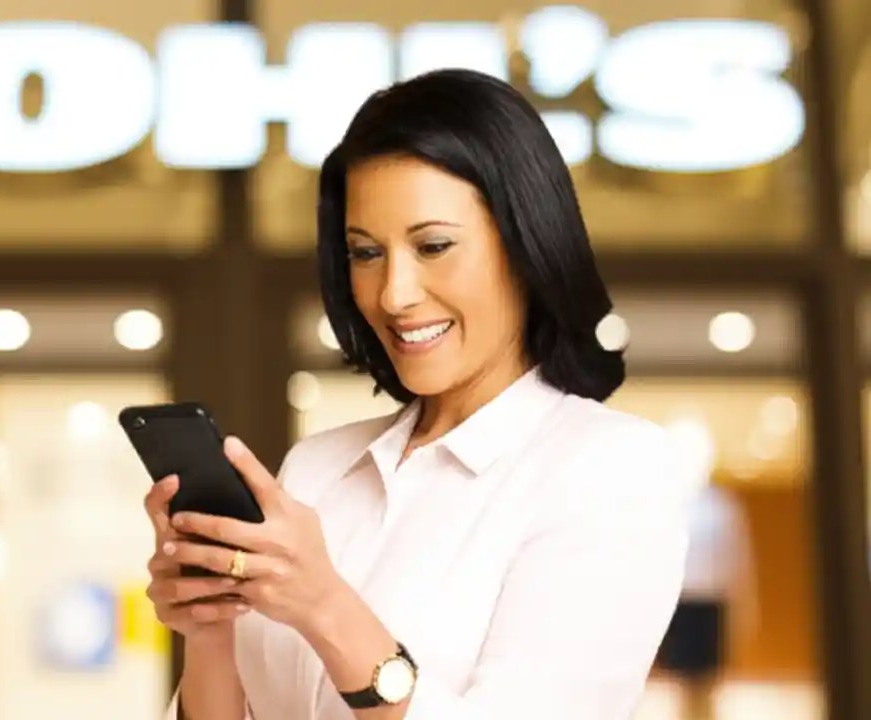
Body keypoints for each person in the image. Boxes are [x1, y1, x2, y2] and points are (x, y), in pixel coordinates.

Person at [142, 68, 692, 720]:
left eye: (433, 246)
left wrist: (325, 606)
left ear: (527, 243)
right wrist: (209, 631)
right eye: (365, 253)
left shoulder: (613, 469)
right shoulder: (317, 469)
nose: (394, 295)